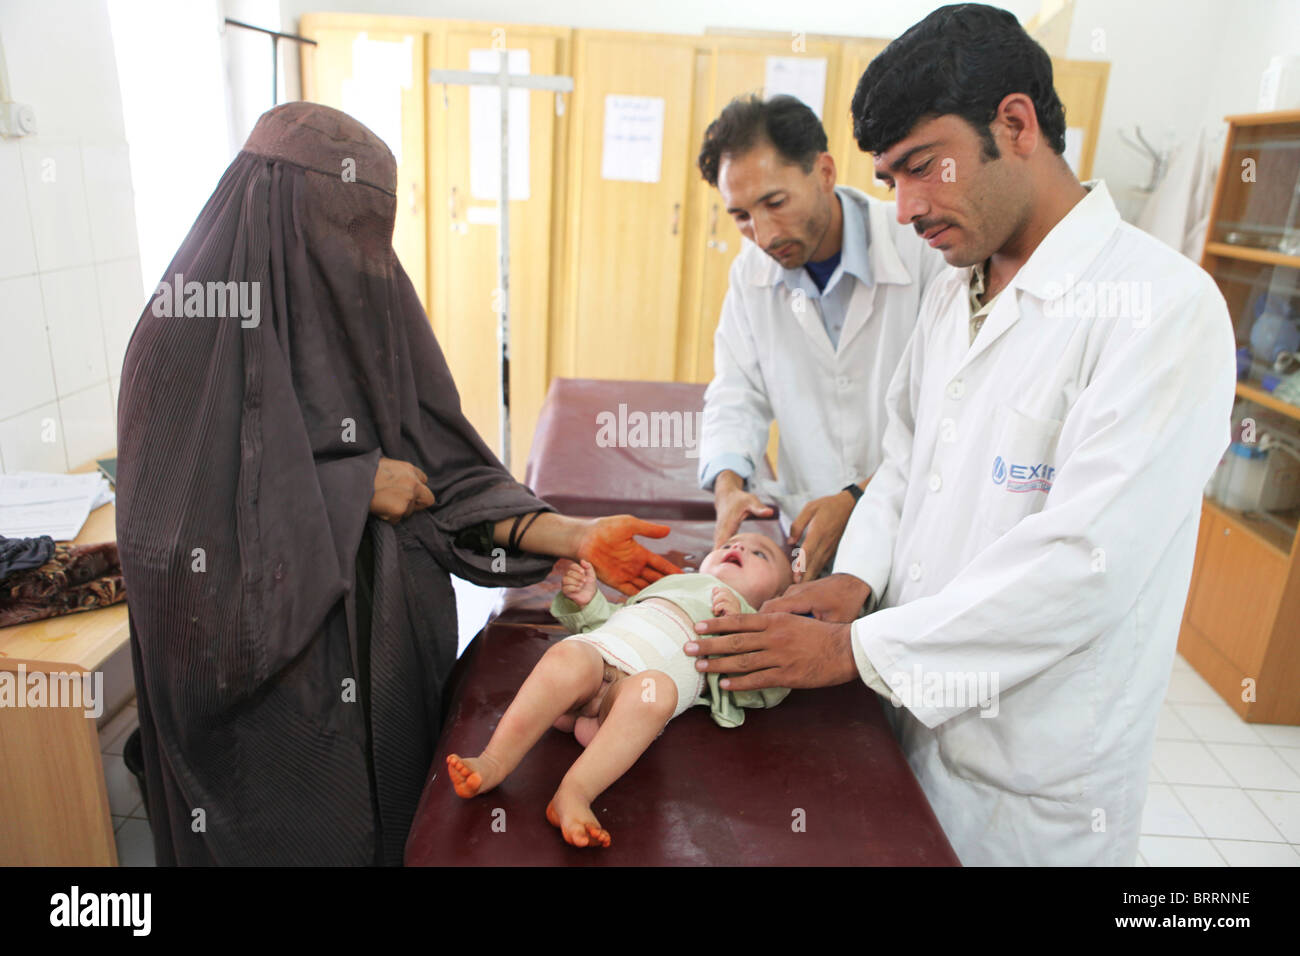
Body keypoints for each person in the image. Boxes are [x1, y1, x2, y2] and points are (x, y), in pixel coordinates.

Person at [686, 3, 1236, 865]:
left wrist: (852, 649)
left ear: (1014, 124)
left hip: (1033, 779)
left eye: (919, 169)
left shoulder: (1161, 310)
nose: (902, 209)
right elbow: (909, 461)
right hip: (913, 723)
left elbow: (1081, 564)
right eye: (889, 178)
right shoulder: (957, 286)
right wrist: (858, 580)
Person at [116, 102, 680, 866]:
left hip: (389, 668)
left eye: (372, 232)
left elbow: (447, 479)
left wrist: (573, 535)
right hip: (276, 716)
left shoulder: (371, 313)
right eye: (338, 226)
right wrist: (349, 491)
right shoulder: (183, 336)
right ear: (273, 214)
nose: (360, 254)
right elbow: (172, 559)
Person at [696, 94, 946, 580]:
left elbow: (947, 412)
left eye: (775, 202)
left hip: (912, 523)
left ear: (825, 172)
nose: (764, 234)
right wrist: (729, 484)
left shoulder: (920, 251)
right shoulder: (751, 274)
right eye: (742, 216)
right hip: (807, 530)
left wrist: (859, 497)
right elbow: (736, 391)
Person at [445, 533, 792, 848]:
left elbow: (764, 689)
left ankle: (575, 793)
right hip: (597, 661)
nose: (739, 547)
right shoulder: (672, 583)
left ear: (775, 598)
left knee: (657, 690)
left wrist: (736, 637)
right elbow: (614, 618)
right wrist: (589, 600)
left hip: (624, 704)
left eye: (760, 552)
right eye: (729, 543)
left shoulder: (751, 622)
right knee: (568, 655)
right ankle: (493, 760)